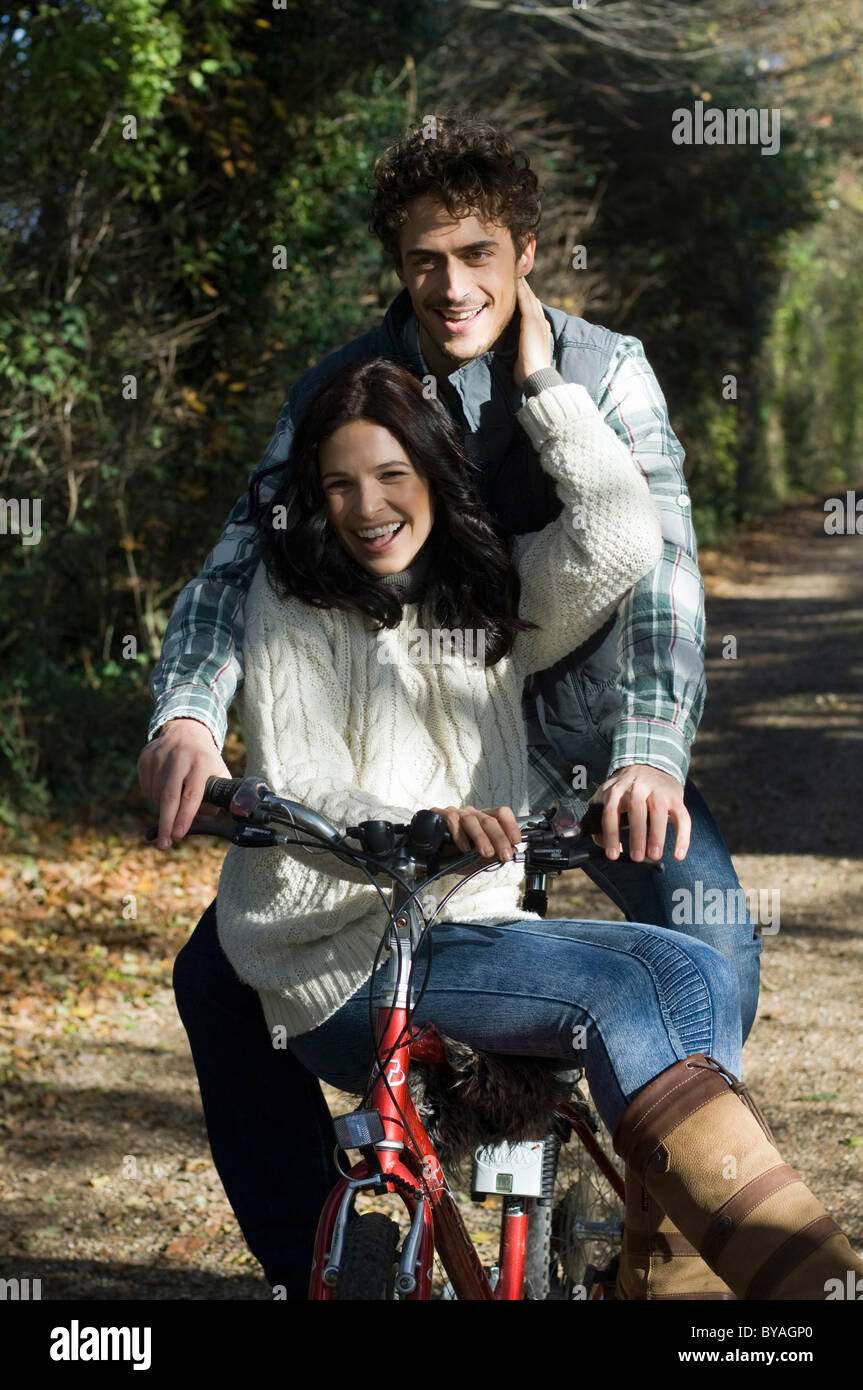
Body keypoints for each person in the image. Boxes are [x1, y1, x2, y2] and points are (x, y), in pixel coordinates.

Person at [139, 115, 763, 1299]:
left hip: (581, 733)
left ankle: (669, 1230)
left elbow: (657, 575)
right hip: (420, 750)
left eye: (476, 253)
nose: (450, 282)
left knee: (715, 935)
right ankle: (327, 1256)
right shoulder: (344, 388)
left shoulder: (603, 368)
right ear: (397, 262)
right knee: (214, 977)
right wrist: (184, 710)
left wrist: (644, 755)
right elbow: (238, 566)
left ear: (525, 253)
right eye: (425, 258)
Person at [214, 315, 863, 1304]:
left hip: (457, 934)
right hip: (339, 961)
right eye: (338, 484)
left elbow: (619, 532)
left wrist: (542, 381)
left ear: (432, 475)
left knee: (689, 963)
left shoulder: (482, 595)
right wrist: (427, 816)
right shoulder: (297, 599)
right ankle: (806, 1286)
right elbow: (303, 778)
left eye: (390, 476)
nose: (365, 506)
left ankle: (669, 1267)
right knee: (620, 992)